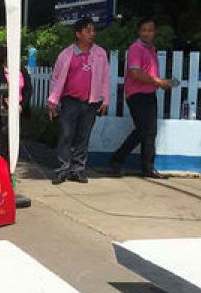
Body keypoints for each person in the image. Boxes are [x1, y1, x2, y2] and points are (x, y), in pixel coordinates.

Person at [48, 17, 111, 184]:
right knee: (66, 134)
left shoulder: (100, 53)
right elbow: (56, 79)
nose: (92, 34)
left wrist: (105, 100)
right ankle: (63, 168)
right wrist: (52, 102)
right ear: (78, 34)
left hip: (91, 102)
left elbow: (105, 77)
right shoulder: (66, 54)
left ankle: (78, 169)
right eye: (87, 30)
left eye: (93, 30)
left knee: (83, 137)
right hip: (70, 101)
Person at [109, 18, 172, 179]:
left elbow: (148, 72)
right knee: (144, 130)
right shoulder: (136, 48)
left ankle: (147, 168)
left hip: (149, 93)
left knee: (150, 132)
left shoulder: (151, 49)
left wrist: (158, 83)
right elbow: (135, 73)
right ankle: (117, 159)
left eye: (150, 30)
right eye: (144, 30)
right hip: (137, 94)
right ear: (139, 32)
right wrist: (158, 81)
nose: (147, 33)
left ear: (154, 32)